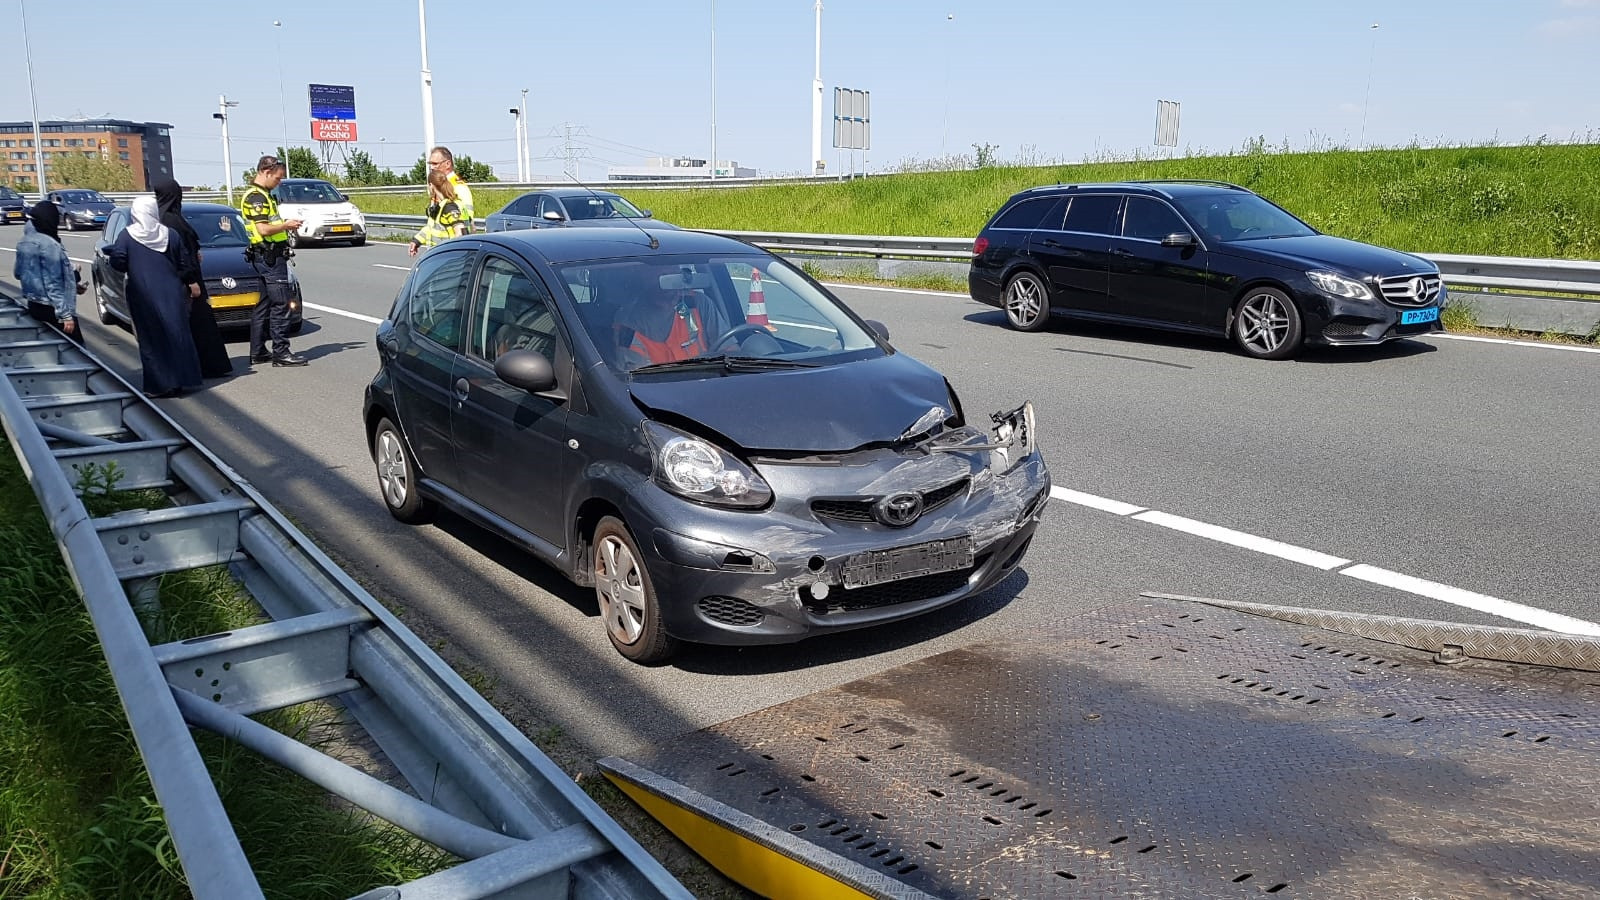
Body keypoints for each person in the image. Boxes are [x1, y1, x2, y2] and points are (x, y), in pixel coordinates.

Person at [107, 197, 203, 398]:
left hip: (143, 293)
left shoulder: (127, 235)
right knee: (177, 334)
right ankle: (184, 380)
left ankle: (159, 385)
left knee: (151, 339)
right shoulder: (171, 234)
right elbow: (184, 263)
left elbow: (118, 261)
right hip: (172, 292)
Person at [154, 177, 233, 378]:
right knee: (199, 324)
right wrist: (191, 281)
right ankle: (208, 366)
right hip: (186, 282)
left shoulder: (161, 219)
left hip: (176, 280)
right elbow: (182, 254)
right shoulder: (171, 221)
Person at [238, 155, 308, 367]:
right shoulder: (257, 197)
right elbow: (264, 229)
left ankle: (258, 351)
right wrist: (287, 226)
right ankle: (281, 352)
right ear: (266, 172)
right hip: (269, 257)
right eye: (278, 178)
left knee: (264, 304)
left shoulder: (264, 195)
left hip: (265, 255)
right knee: (282, 304)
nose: (279, 182)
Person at [611, 264, 734, 369]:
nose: (669, 275)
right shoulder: (628, 321)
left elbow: (730, 350)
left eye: (673, 270)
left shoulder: (697, 303)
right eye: (660, 268)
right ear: (643, 275)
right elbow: (637, 377)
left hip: (711, 384)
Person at [12, 200, 85, 346]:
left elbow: (19, 273)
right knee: (79, 350)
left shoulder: (24, 242)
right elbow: (53, 283)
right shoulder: (49, 244)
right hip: (53, 309)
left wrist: (74, 286)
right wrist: (65, 315)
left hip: (34, 305)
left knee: (53, 347)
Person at [408, 169, 470, 257]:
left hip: (448, 258)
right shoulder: (439, 207)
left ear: (431, 185)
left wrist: (453, 253)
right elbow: (431, 228)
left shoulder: (449, 207)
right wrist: (416, 241)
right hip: (437, 256)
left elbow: (461, 232)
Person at [426, 146, 474, 231]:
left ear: (448, 164)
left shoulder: (459, 187)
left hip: (452, 240)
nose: (432, 167)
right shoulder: (436, 186)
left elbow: (467, 219)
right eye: (430, 164)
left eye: (435, 164)